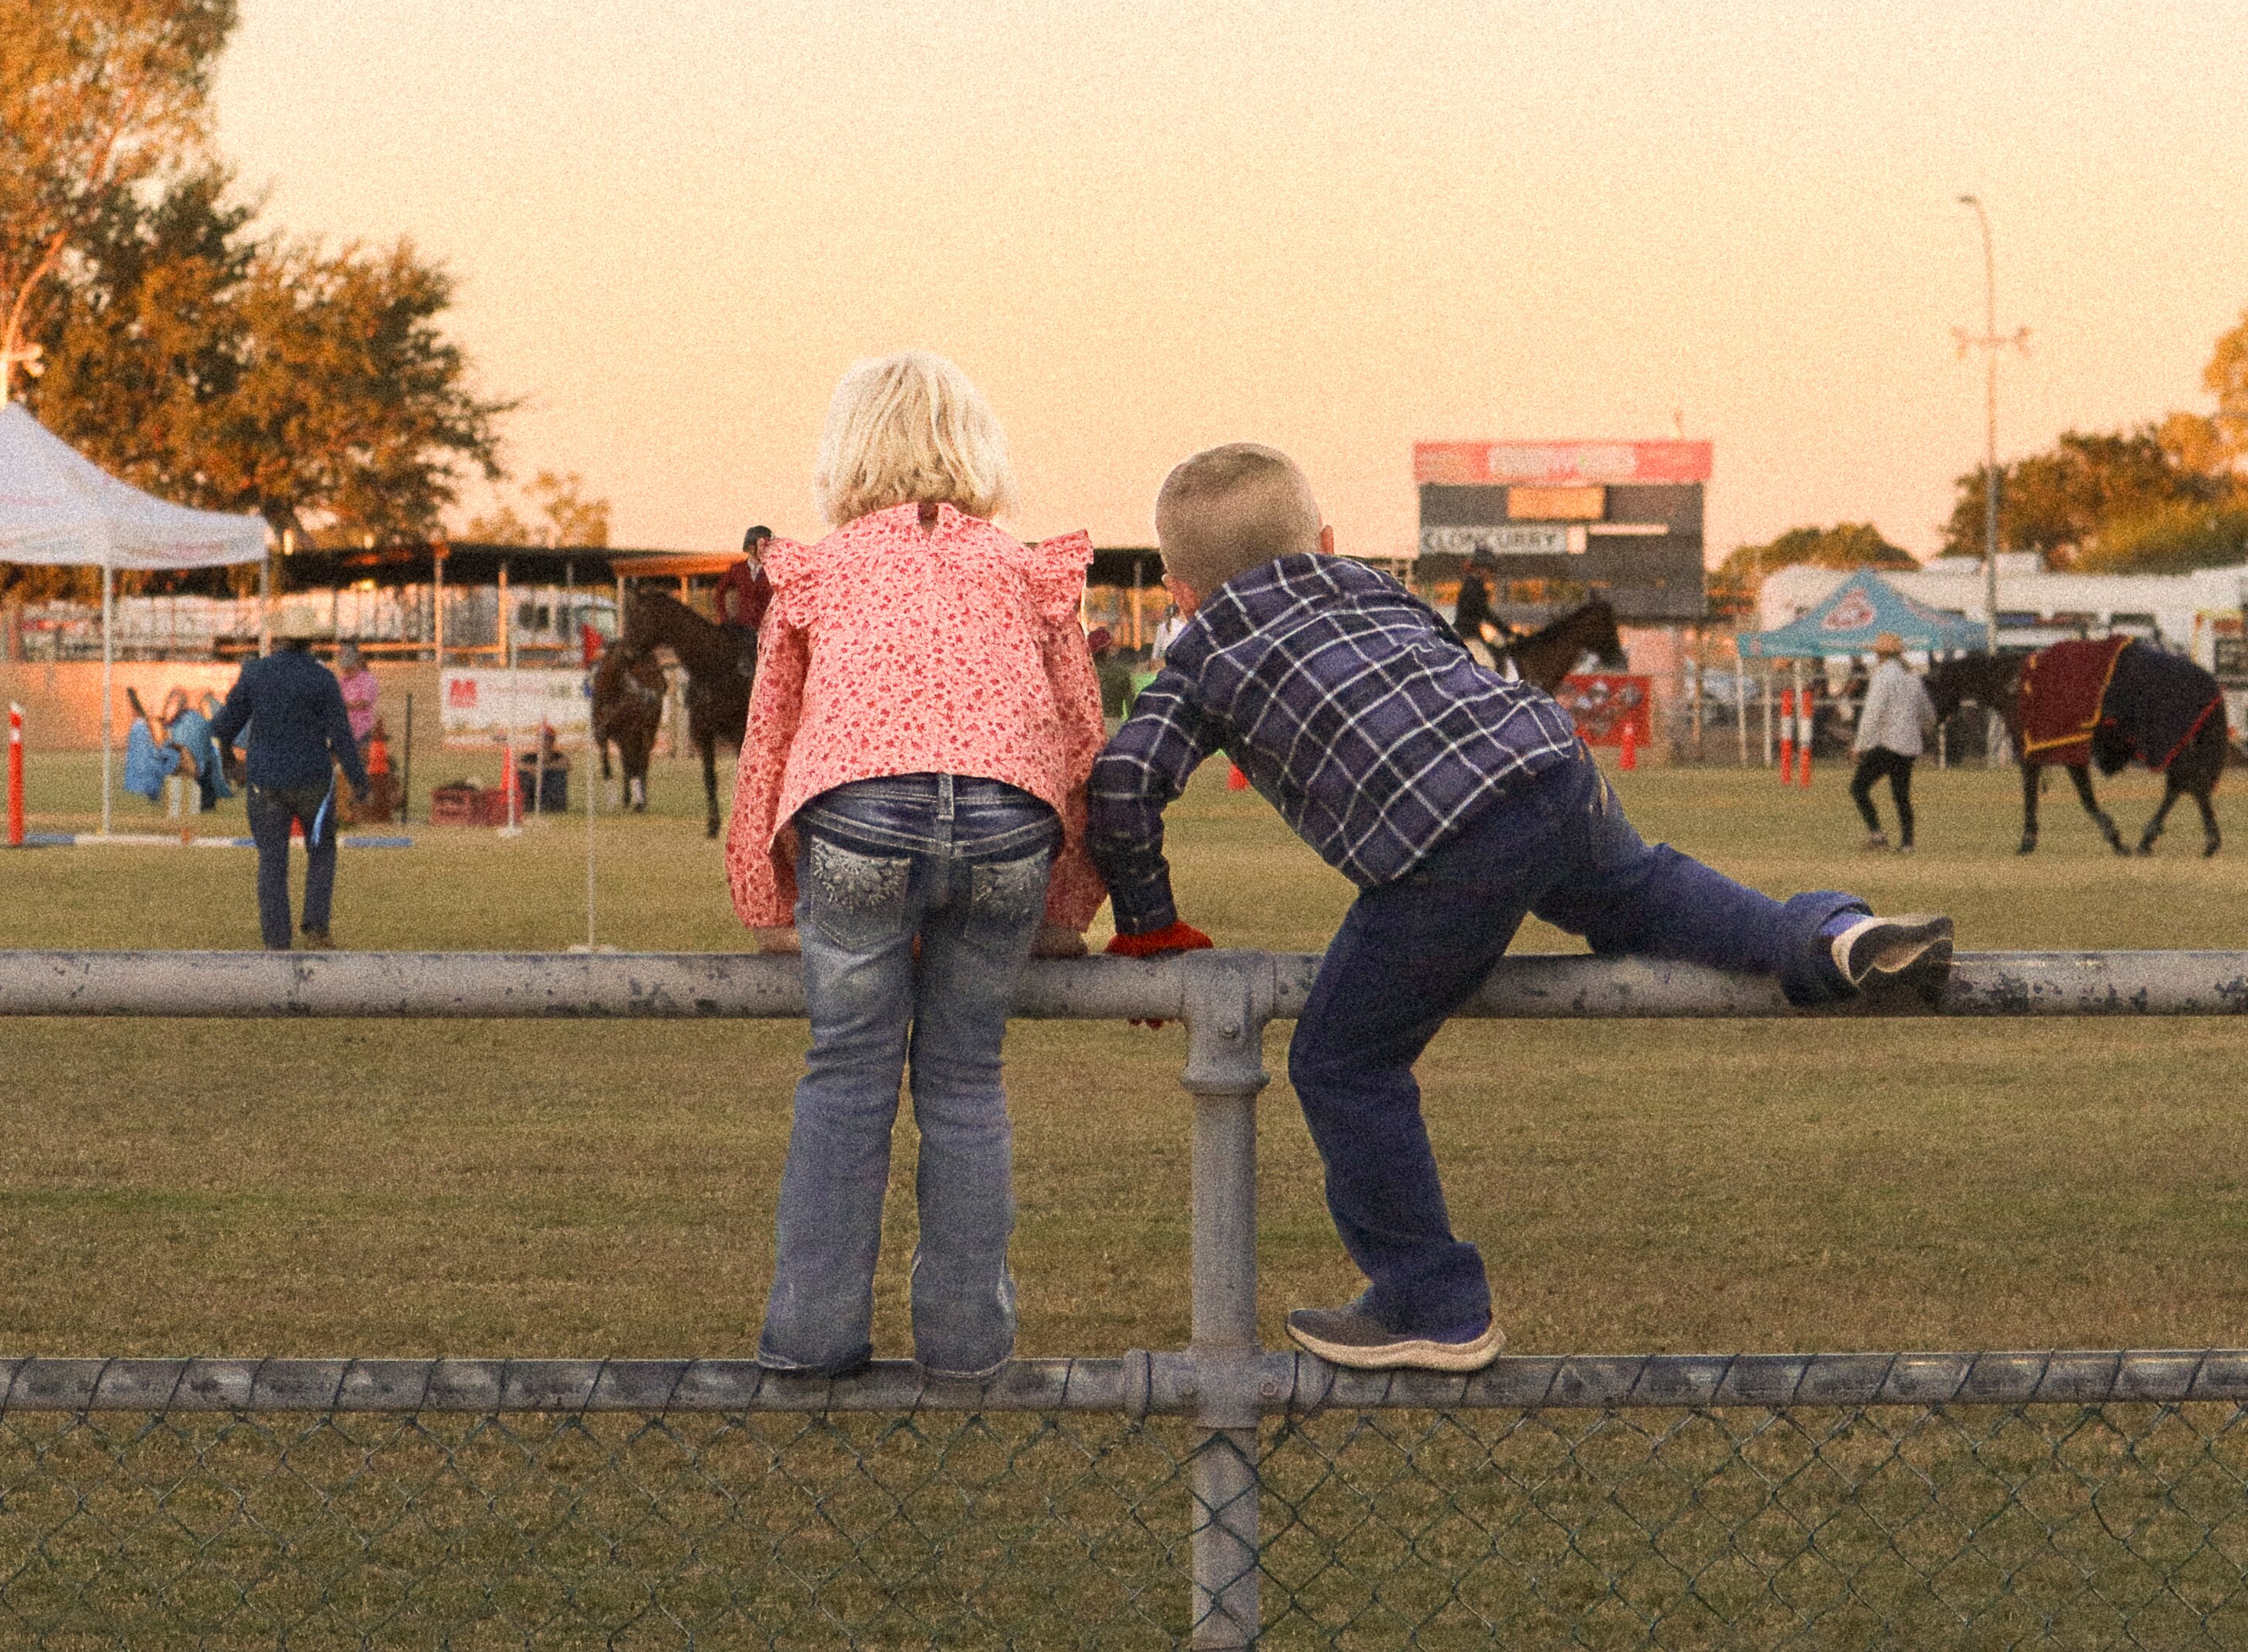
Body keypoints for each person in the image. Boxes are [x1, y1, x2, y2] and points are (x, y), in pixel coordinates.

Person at [1088, 443, 1950, 1375]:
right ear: (1328, 540)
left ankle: (1430, 1300)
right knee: (1646, 889)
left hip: (1439, 842)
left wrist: (1148, 921)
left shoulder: (1205, 647)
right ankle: (1828, 935)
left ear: (1177, 591)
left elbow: (1125, 779)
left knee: (1341, 1059)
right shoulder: (1365, 585)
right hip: (1546, 764)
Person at [724, 352, 1110, 1381]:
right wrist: (1068, 904)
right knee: (966, 1081)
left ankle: (811, 1338)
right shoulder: (1026, 570)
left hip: (857, 805)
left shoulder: (819, 569)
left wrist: (764, 894)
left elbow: (770, 736)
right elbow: (1083, 740)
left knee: (847, 1075)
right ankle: (965, 1346)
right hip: (1007, 818)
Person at [211, 639, 368, 950]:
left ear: (279, 640)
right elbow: (341, 736)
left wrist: (229, 759)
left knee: (272, 861)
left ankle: (277, 939)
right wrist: (361, 784)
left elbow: (224, 726)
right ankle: (316, 928)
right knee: (321, 852)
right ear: (310, 641)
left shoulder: (255, 673)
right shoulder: (323, 678)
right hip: (314, 782)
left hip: (265, 783)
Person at [1850, 636, 1936, 851]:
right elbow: (1927, 712)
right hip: (1909, 745)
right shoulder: (1912, 676)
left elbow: (1873, 712)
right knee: (1901, 795)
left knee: (1858, 788)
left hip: (1888, 743)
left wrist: (1860, 744)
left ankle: (1877, 836)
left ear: (1881, 654)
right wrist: (1929, 729)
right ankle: (1907, 843)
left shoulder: (1883, 676)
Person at [719, 525, 777, 694]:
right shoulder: (737, 569)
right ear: (751, 546)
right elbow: (719, 592)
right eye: (763, 545)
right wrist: (724, 616)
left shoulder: (773, 569)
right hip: (743, 627)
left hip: (767, 628)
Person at [1450, 555, 1513, 663]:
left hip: (1467, 631)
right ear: (1480, 569)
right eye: (1490, 570)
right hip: (1469, 633)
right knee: (1488, 663)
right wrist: (1507, 632)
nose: (1492, 574)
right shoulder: (1475, 587)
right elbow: (1485, 613)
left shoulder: (1472, 584)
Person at [335, 644, 381, 751]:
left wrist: (342, 705)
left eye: (350, 668)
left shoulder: (368, 680)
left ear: (359, 663)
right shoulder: (343, 682)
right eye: (345, 668)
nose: (346, 671)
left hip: (362, 731)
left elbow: (364, 703)